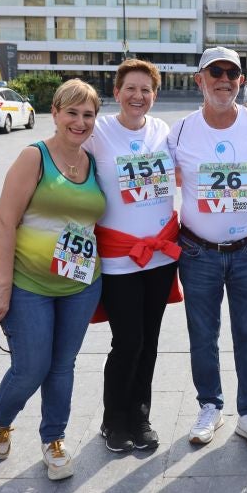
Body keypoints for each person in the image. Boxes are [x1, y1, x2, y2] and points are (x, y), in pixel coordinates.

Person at [0, 79, 105, 481]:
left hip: (80, 285)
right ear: (54, 113)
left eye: (88, 115)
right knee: (31, 367)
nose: (80, 122)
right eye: (72, 112)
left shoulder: (93, 163)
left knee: (62, 366)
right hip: (28, 285)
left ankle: (54, 440)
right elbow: (5, 221)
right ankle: (0, 414)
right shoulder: (33, 157)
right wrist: (3, 286)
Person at [167, 46, 247, 448]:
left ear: (241, 81)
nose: (224, 80)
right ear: (200, 80)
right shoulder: (178, 131)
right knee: (202, 335)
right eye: (216, 73)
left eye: (232, 73)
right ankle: (209, 406)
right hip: (197, 252)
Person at [82, 59, 179, 454]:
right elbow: (68, 162)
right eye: (131, 88)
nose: (138, 96)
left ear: (154, 95)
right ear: (117, 92)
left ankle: (140, 417)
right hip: (120, 259)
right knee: (127, 342)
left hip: (159, 257)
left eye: (146, 90)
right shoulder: (98, 132)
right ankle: (112, 420)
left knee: (150, 341)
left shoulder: (162, 132)